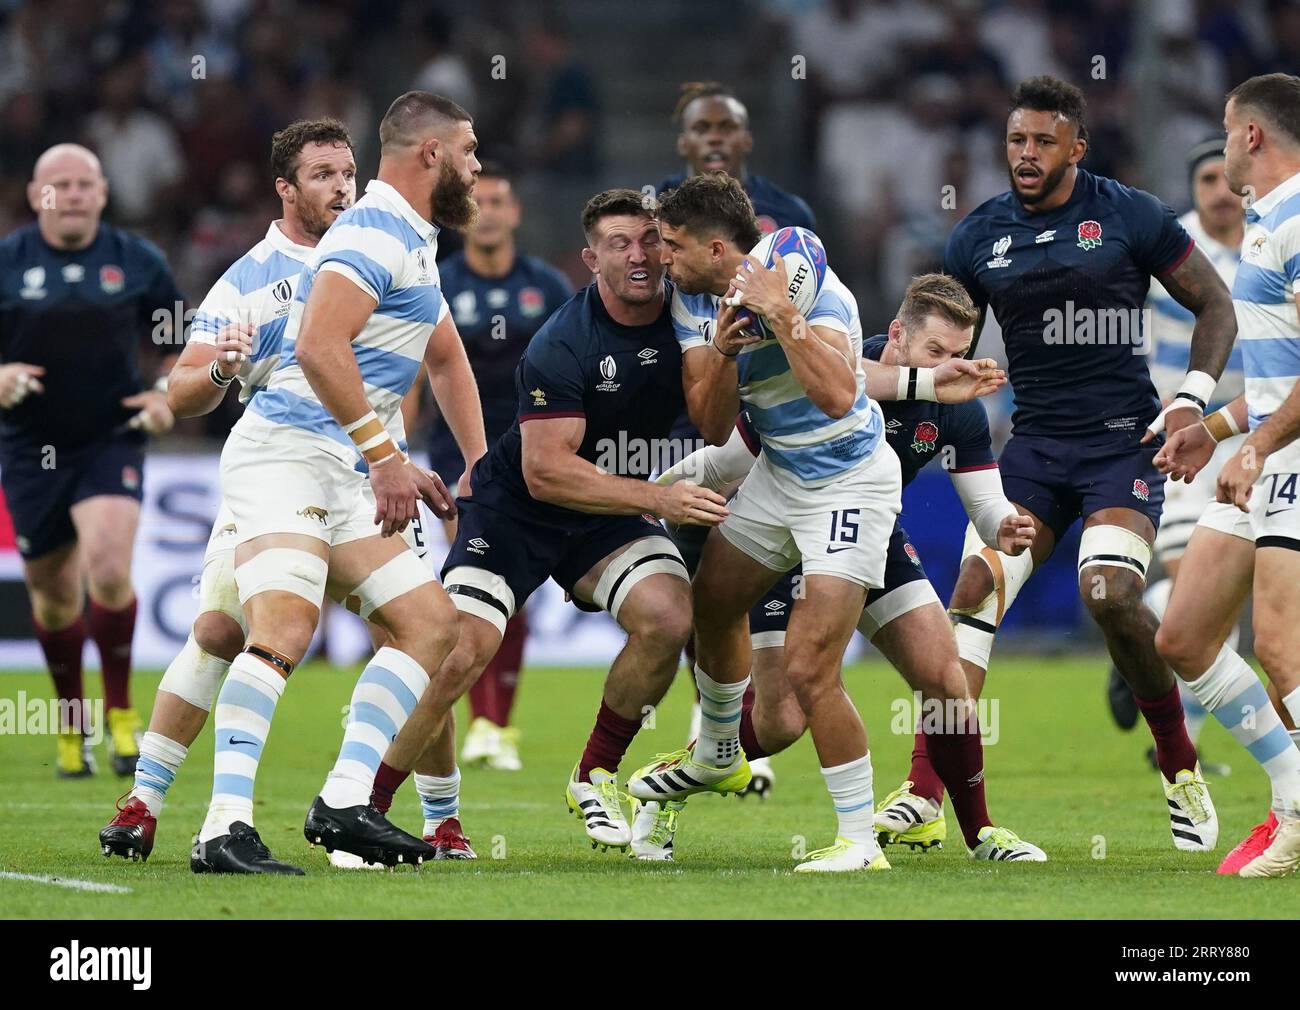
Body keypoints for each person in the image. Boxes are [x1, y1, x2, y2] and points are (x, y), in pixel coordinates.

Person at [625, 173, 1000, 873]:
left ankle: (862, 843)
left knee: (812, 668)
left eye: (673, 246)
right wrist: (728, 352)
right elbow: (712, 420)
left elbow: (834, 395)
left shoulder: (809, 279)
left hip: (849, 486)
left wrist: (784, 320)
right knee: (711, 598)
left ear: (715, 247)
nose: (662, 258)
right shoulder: (695, 300)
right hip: (778, 479)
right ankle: (715, 748)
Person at [96, 118, 446, 864]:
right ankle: (201, 817)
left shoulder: (380, 247)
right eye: (321, 174)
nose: (341, 187)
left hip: (353, 472)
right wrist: (220, 370)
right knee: (264, 630)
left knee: (406, 626)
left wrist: (427, 455)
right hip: (276, 465)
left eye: (347, 172)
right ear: (285, 188)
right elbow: (182, 386)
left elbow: (440, 355)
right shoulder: (253, 276)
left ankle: (315, 801)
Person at [360, 188, 728, 854]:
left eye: (650, 240)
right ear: (591, 259)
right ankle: (375, 809)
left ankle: (594, 777)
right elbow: (545, 473)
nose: (640, 256)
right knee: (458, 653)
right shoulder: (563, 341)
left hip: (607, 512)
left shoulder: (696, 316)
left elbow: (719, 416)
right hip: (518, 508)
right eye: (620, 244)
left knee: (669, 617)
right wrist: (661, 497)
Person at [926, 75, 1238, 853]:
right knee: (970, 591)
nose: (1025, 155)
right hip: (1030, 450)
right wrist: (933, 381)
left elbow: (1216, 305)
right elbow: (932, 334)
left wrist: (1190, 400)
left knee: (1108, 592)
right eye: (1015, 141)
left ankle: (1178, 763)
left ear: (1077, 146)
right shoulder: (977, 235)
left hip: (1119, 447)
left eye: (1042, 141)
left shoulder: (1129, 213)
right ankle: (924, 794)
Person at [189, 91, 486, 875]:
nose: (478, 167)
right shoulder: (373, 228)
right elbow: (320, 348)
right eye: (470, 151)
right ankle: (222, 828)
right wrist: (385, 454)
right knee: (283, 626)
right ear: (432, 155)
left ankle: (346, 800)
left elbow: (445, 356)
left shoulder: (412, 238)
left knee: (432, 626)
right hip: (285, 453)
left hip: (346, 465)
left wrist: (473, 462)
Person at [1153, 72, 1300, 877]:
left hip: (1292, 459)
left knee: (1280, 651)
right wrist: (1211, 431)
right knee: (1183, 635)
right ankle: (1293, 794)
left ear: (1251, 135)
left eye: (1225, 126)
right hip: (1265, 452)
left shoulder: (1298, 214)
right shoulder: (1266, 221)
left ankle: (1294, 817)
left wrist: (1257, 447)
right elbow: (1279, 377)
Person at [0, 143, 182, 779]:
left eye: (84, 184)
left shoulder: (137, 261)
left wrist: (165, 395)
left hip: (111, 436)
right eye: (60, 185)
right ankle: (71, 725)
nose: (72, 194)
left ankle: (124, 719)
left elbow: (177, 344)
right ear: (35, 196)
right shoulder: (7, 261)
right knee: (53, 599)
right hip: (29, 447)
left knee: (107, 566)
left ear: (103, 194)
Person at [659, 80, 818, 797]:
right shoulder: (655, 213)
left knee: (745, 599)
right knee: (704, 595)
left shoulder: (791, 223)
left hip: (778, 434)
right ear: (684, 142)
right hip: (692, 417)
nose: (717, 138)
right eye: (704, 128)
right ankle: (713, 733)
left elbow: (811, 323)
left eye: (730, 126)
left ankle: (727, 740)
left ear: (747, 141)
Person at [1106, 139, 1246, 775]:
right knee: (1192, 576)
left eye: (1227, 177)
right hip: (1185, 437)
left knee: (1226, 600)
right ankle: (1133, 645)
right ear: (1192, 190)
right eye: (1206, 179)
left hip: (1260, 436)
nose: (1220, 190)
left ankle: (1171, 725)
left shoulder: (1274, 239)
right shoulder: (1172, 246)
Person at [432, 161, 571, 772]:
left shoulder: (547, 286)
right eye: (476, 200)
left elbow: (578, 365)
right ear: (464, 214)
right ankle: (481, 723)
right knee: (469, 585)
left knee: (513, 591)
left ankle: (497, 725)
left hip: (528, 453)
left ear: (515, 213)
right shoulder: (436, 281)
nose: (487, 211)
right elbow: (418, 365)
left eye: (498, 200)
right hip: (452, 449)